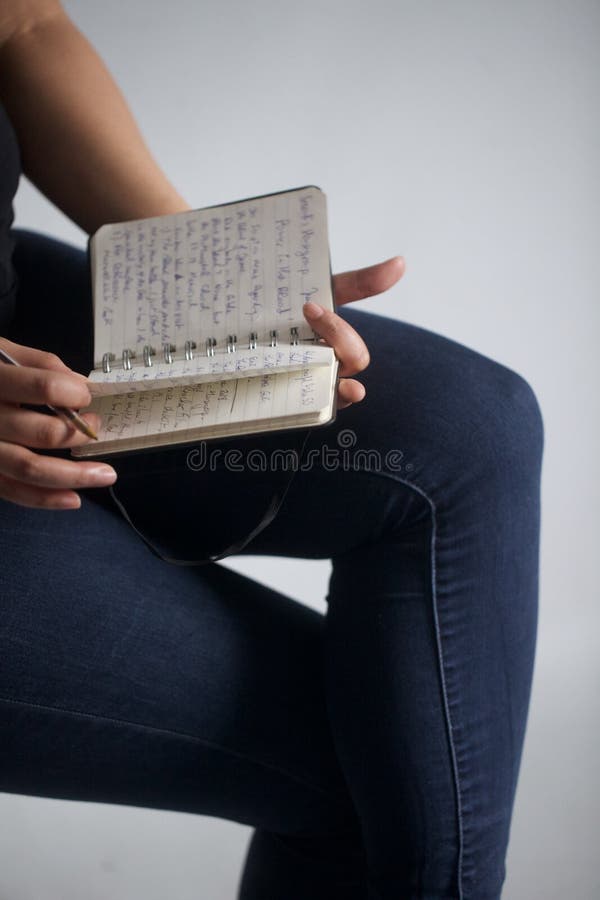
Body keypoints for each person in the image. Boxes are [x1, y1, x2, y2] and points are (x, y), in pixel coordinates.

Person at [0, 3, 544, 898]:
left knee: (472, 431)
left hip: (19, 315)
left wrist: (210, 288)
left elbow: (20, 27)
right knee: (379, 774)